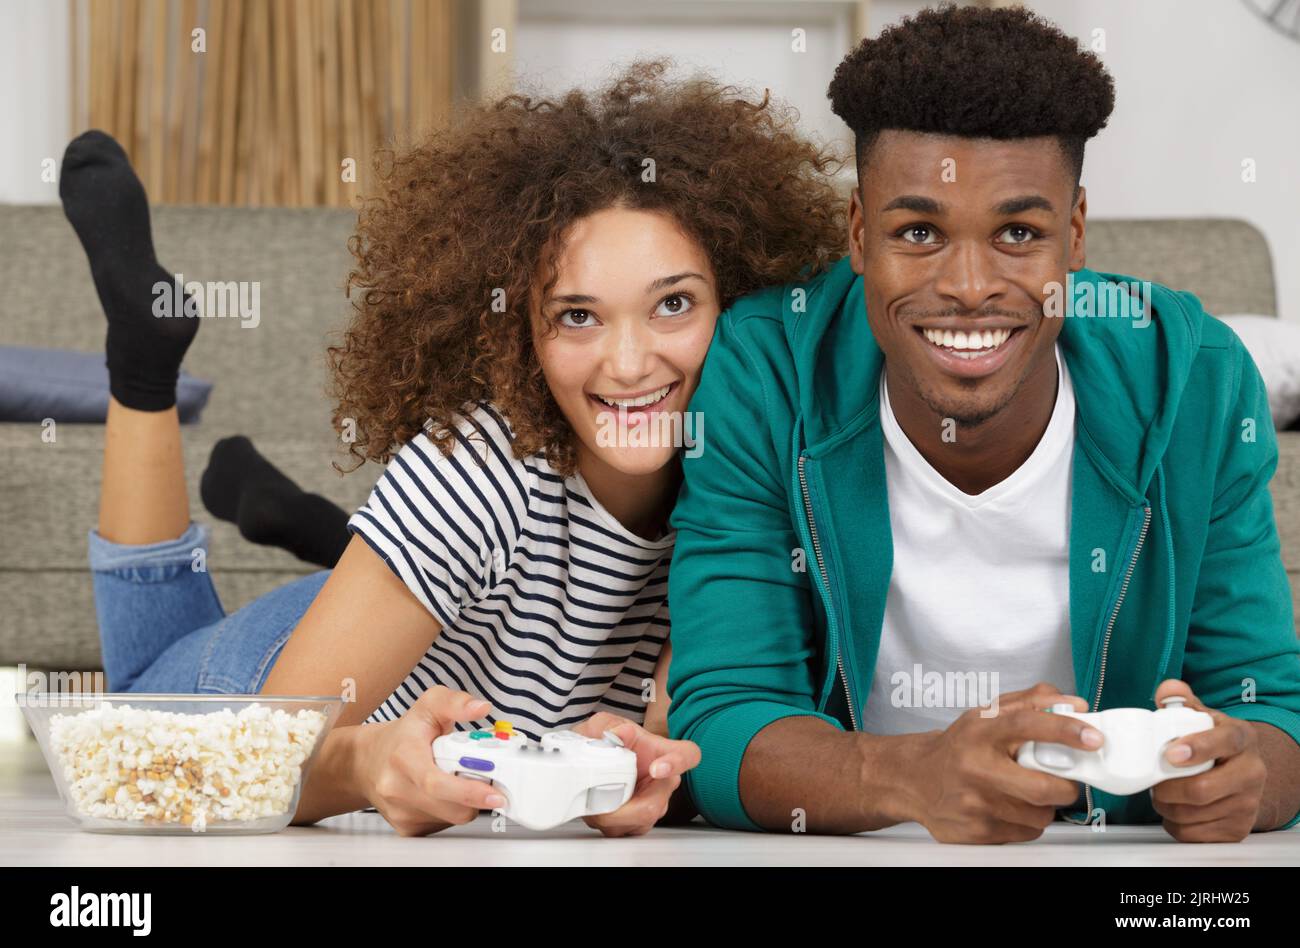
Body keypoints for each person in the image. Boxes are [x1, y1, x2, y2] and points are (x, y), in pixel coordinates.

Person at [63, 60, 846, 836]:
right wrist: (368, 765)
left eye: (672, 304)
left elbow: (686, 738)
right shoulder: (479, 470)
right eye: (578, 316)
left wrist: (640, 772)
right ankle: (143, 366)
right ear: (519, 332)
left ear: (738, 302)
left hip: (434, 610)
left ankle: (333, 537)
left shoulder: (754, 478)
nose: (631, 363)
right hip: (274, 676)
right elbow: (258, 758)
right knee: (132, 702)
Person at [665, 4, 1300, 843]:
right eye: (920, 231)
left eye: (1017, 233)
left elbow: (1274, 714)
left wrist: (1242, 777)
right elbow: (719, 721)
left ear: (1073, 235)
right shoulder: (766, 369)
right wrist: (914, 775)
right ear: (860, 232)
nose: (969, 285)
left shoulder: (1198, 382)